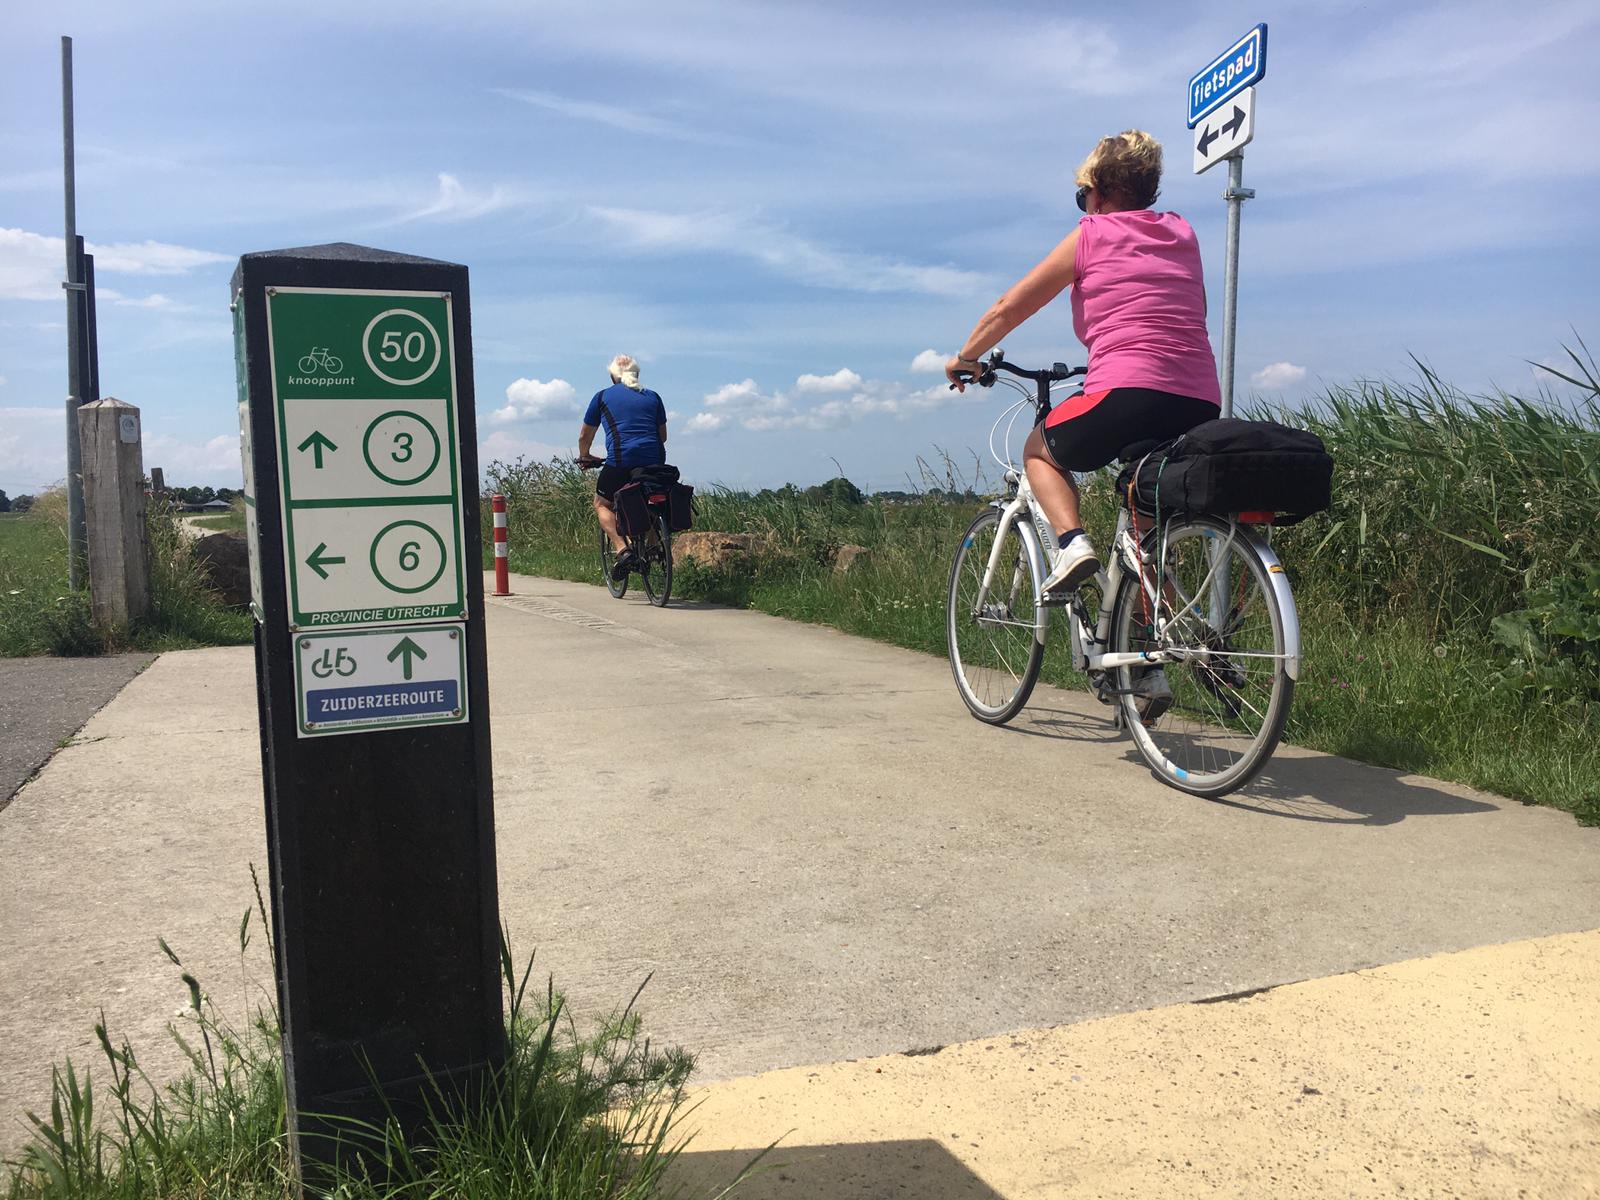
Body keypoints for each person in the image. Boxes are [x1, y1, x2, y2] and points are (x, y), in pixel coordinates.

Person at [945, 129, 1221, 596]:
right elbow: (1195, 310)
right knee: (1143, 542)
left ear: (1100, 190)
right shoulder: (1183, 233)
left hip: (1127, 391)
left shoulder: (1091, 234)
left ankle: (1072, 545)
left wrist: (966, 357)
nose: (1085, 205)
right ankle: (1158, 639)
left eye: (1083, 195)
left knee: (1038, 451)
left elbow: (1010, 307)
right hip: (1199, 401)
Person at [577, 354, 668, 579]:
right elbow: (663, 436)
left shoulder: (602, 397)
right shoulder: (653, 396)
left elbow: (585, 436)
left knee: (601, 504)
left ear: (612, 376)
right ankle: (653, 544)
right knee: (649, 498)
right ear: (636, 374)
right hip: (655, 462)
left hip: (620, 462)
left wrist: (585, 456)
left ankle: (622, 549)